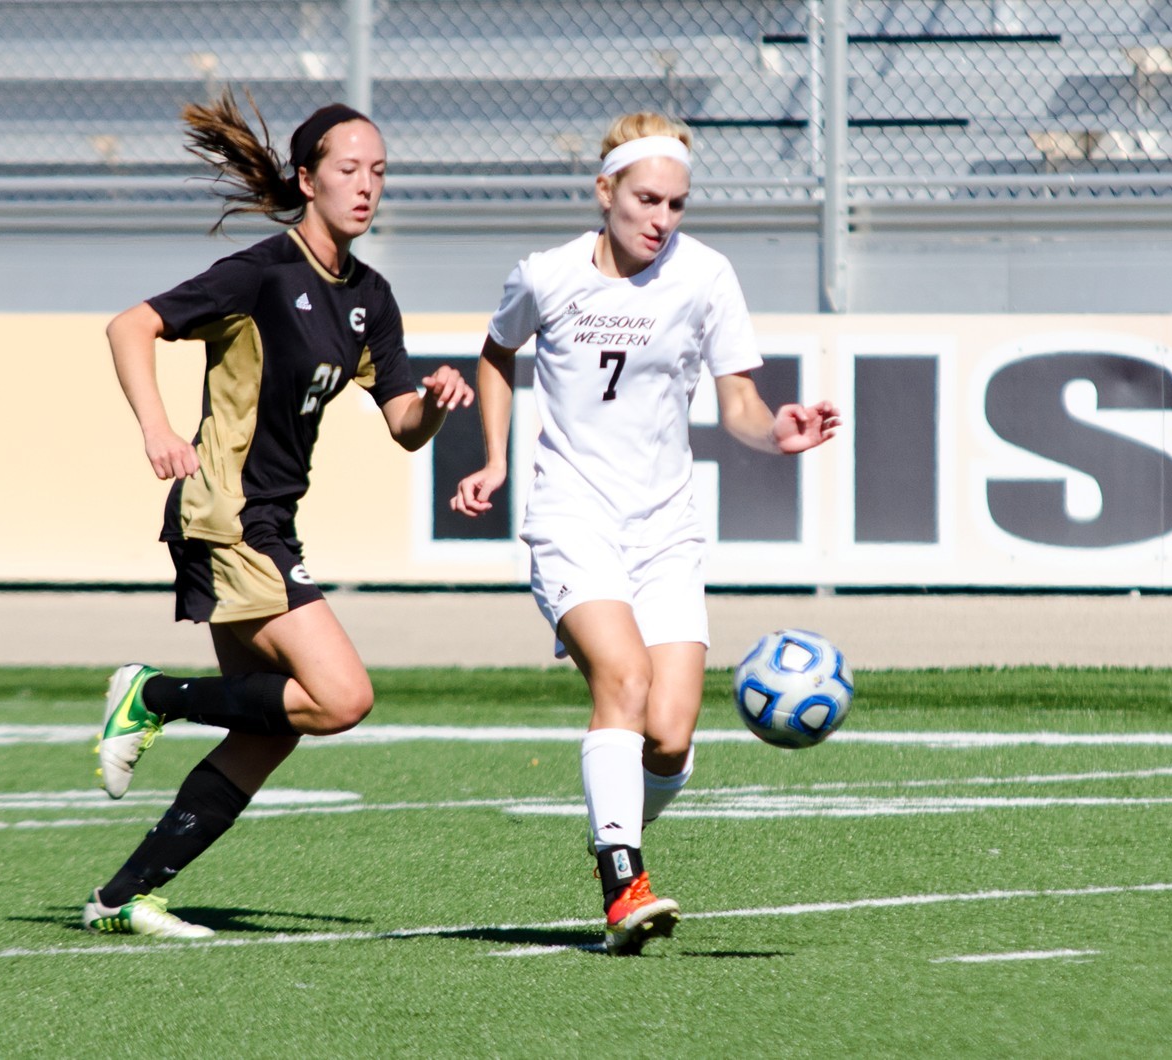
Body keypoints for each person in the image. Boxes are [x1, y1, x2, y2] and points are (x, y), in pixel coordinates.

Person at [83, 89, 474, 938]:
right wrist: (157, 428)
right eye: (348, 169)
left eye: (379, 171)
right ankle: (152, 693)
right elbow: (129, 327)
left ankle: (120, 898)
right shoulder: (262, 273)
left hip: (268, 521)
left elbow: (404, 426)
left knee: (269, 727)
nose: (365, 185)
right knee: (342, 697)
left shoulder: (370, 295)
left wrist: (438, 404)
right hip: (226, 513)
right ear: (307, 179)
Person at [451, 112, 841, 955]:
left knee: (667, 738)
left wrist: (777, 432)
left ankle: (615, 817)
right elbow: (496, 351)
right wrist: (494, 458)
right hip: (572, 516)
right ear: (606, 192)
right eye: (646, 200)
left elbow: (739, 402)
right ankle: (621, 880)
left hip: (665, 528)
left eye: (676, 203)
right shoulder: (547, 275)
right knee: (622, 680)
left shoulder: (705, 276)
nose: (661, 218)